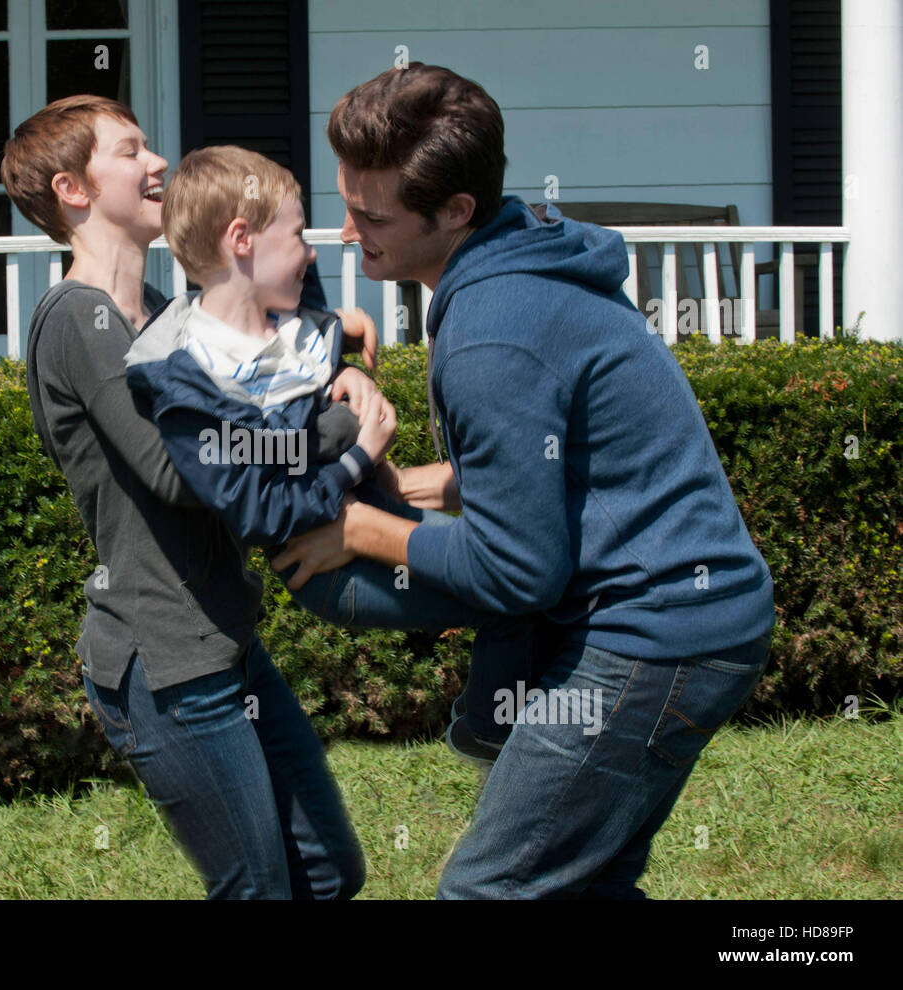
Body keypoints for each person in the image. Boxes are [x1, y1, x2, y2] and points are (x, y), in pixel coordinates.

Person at [272, 64, 775, 899]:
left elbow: (518, 569)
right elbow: (534, 475)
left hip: (655, 636)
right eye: (345, 202)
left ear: (457, 211)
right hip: (688, 615)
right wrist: (406, 486)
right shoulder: (523, 261)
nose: (349, 232)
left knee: (492, 890)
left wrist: (361, 531)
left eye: (373, 216)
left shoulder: (492, 333)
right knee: (581, 886)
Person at [0, 94, 370, 899]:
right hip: (161, 663)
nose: (157, 162)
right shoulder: (79, 320)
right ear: (74, 189)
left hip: (224, 640)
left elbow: (255, 415)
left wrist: (328, 373)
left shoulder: (167, 319)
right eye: (130, 151)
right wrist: (341, 436)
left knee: (329, 871)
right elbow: (184, 473)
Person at [122, 143, 550, 766]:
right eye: (298, 234)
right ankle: (491, 732)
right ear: (241, 239)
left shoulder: (280, 321)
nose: (314, 249)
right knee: (518, 591)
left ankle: (501, 728)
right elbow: (262, 512)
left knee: (525, 576)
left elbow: (301, 352)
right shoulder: (192, 382)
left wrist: (341, 365)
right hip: (334, 566)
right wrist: (359, 450)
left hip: (375, 521)